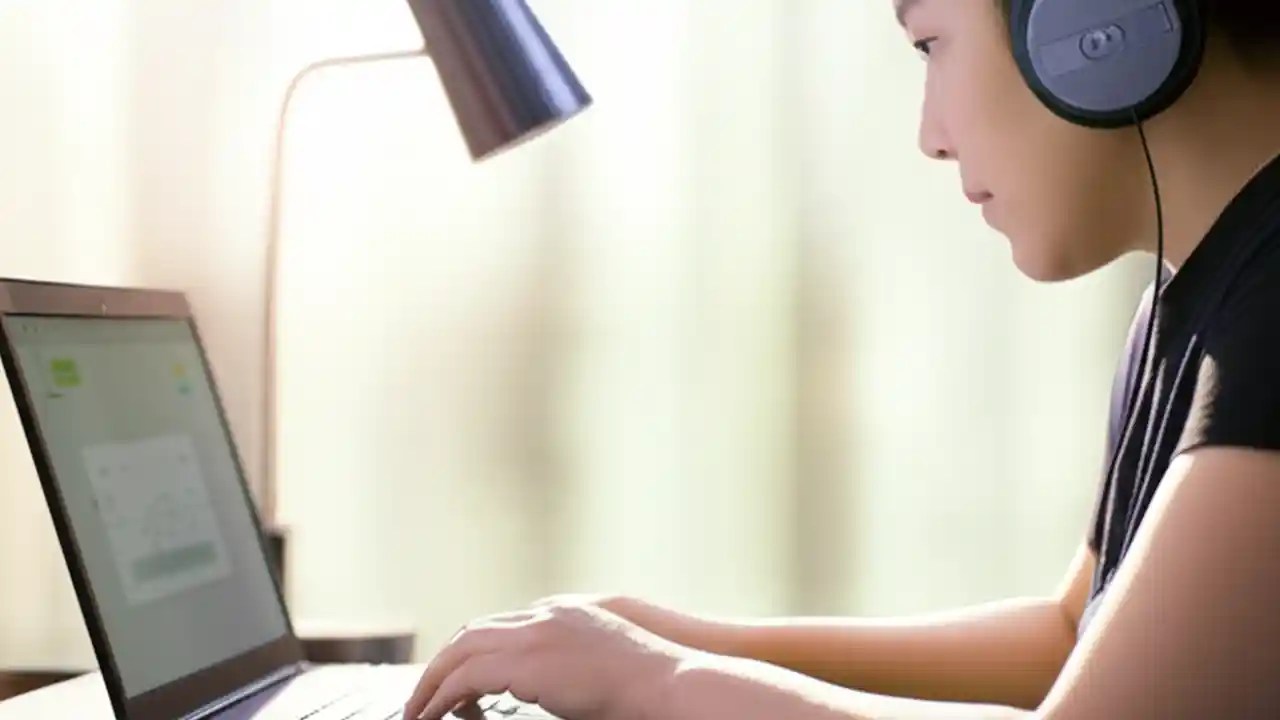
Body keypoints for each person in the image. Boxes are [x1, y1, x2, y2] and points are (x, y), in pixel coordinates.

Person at [403, 1, 1280, 718]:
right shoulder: (1205, 292)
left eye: (931, 43)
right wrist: (683, 641)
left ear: (1094, 22)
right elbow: (1068, 638)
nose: (931, 136)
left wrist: (662, 684)